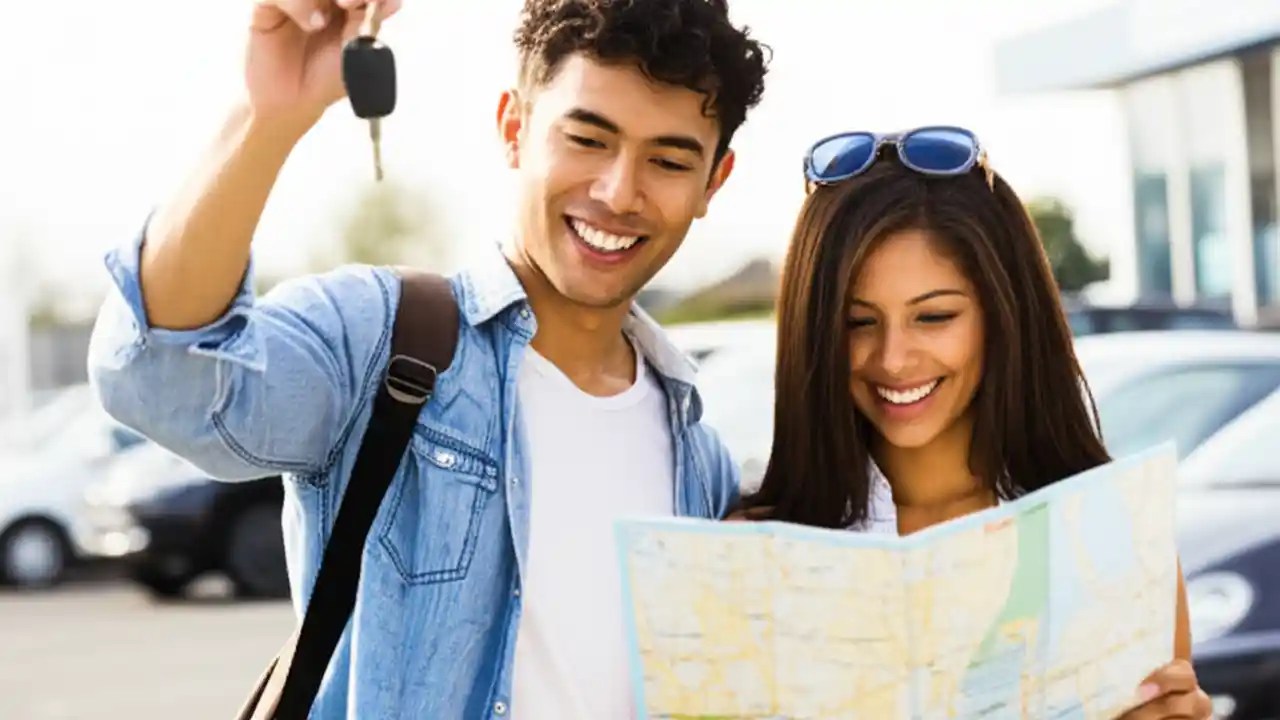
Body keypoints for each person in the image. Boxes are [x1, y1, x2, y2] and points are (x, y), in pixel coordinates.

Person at [86, 0, 768, 716]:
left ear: (711, 184)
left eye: (666, 160)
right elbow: (161, 377)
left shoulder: (701, 461)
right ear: (515, 129)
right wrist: (269, 116)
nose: (618, 192)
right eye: (588, 139)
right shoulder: (384, 341)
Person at [730, 127, 1212, 719]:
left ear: (1003, 314)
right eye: (857, 322)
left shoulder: (1112, 539)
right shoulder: (750, 553)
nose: (893, 358)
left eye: (933, 316)